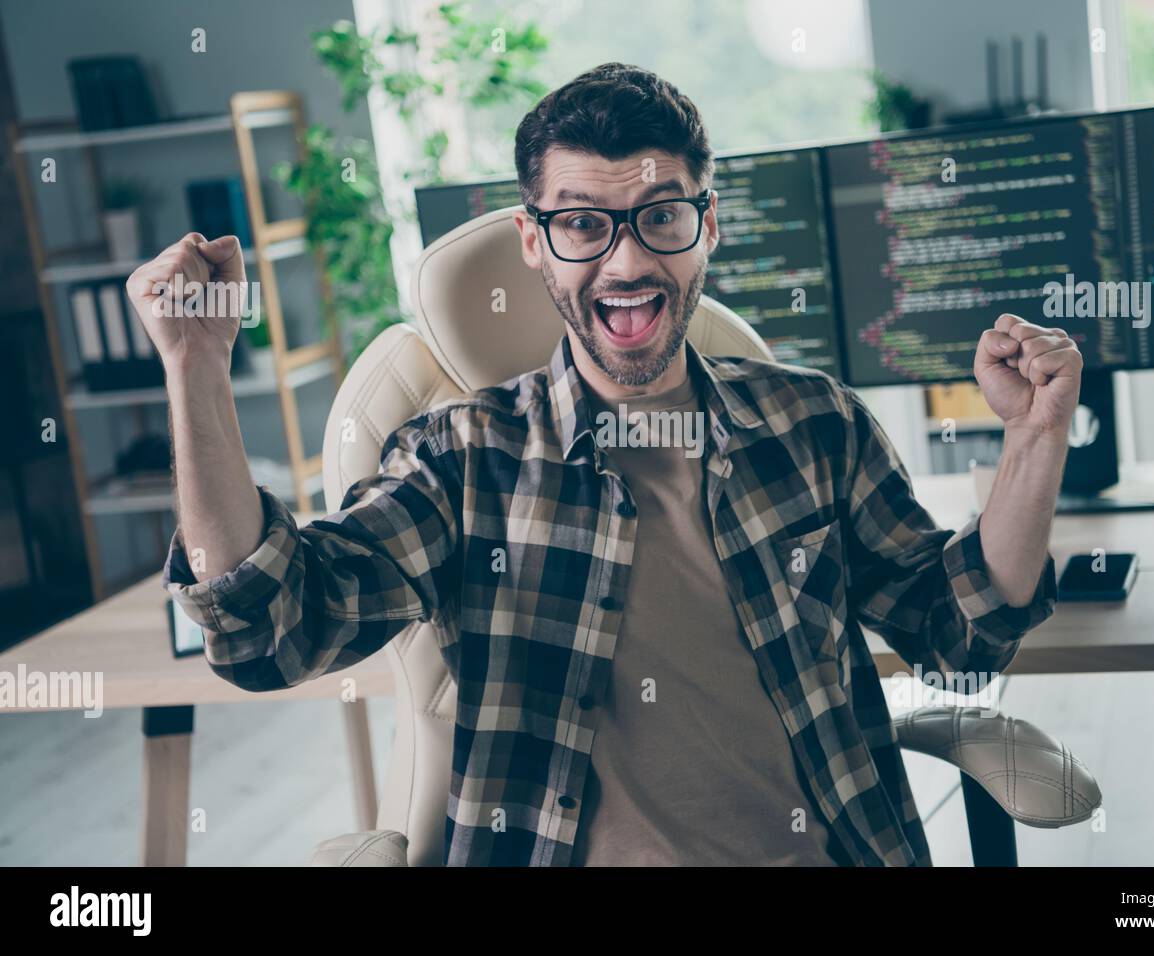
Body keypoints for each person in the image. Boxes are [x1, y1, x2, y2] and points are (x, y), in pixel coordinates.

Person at [129, 62, 1078, 867]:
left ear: (708, 226)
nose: (625, 262)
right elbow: (268, 633)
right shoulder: (462, 459)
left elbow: (961, 640)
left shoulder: (817, 425)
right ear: (535, 244)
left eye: (659, 215)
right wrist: (196, 369)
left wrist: (1034, 441)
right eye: (584, 224)